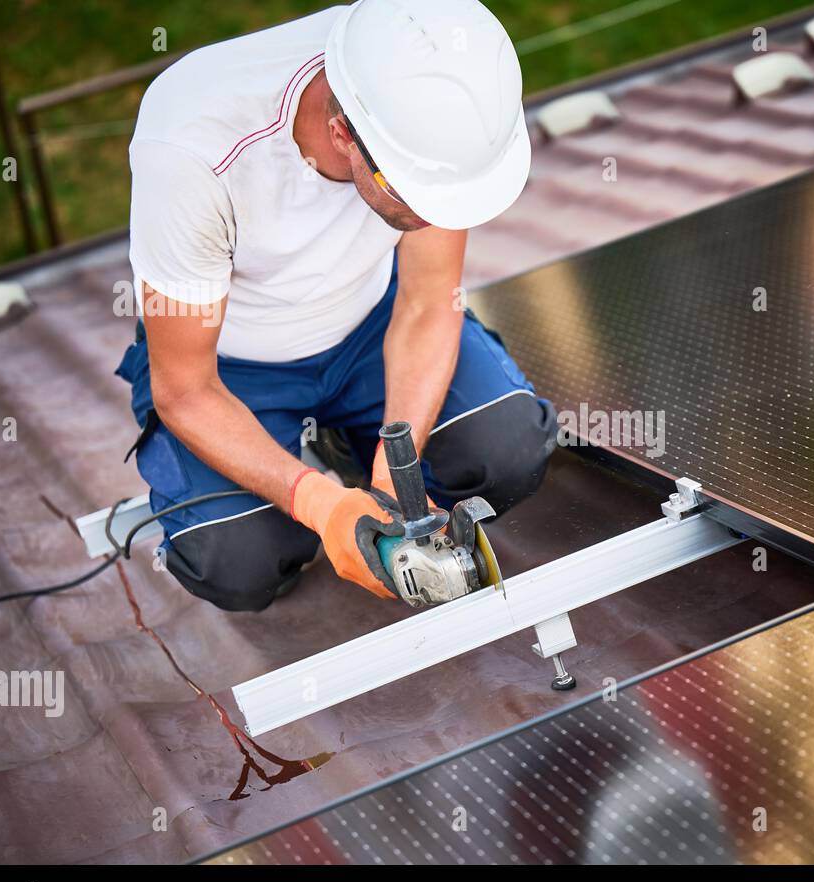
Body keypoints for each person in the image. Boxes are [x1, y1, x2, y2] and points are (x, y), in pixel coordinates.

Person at [116, 0, 556, 610]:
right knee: (240, 566)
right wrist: (319, 504)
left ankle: (357, 444)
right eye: (418, 201)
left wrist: (390, 472)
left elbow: (429, 301)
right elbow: (185, 388)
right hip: (234, 368)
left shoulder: (425, 88)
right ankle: (313, 470)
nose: (439, 221)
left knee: (507, 454)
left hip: (369, 331)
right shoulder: (191, 146)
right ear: (343, 132)